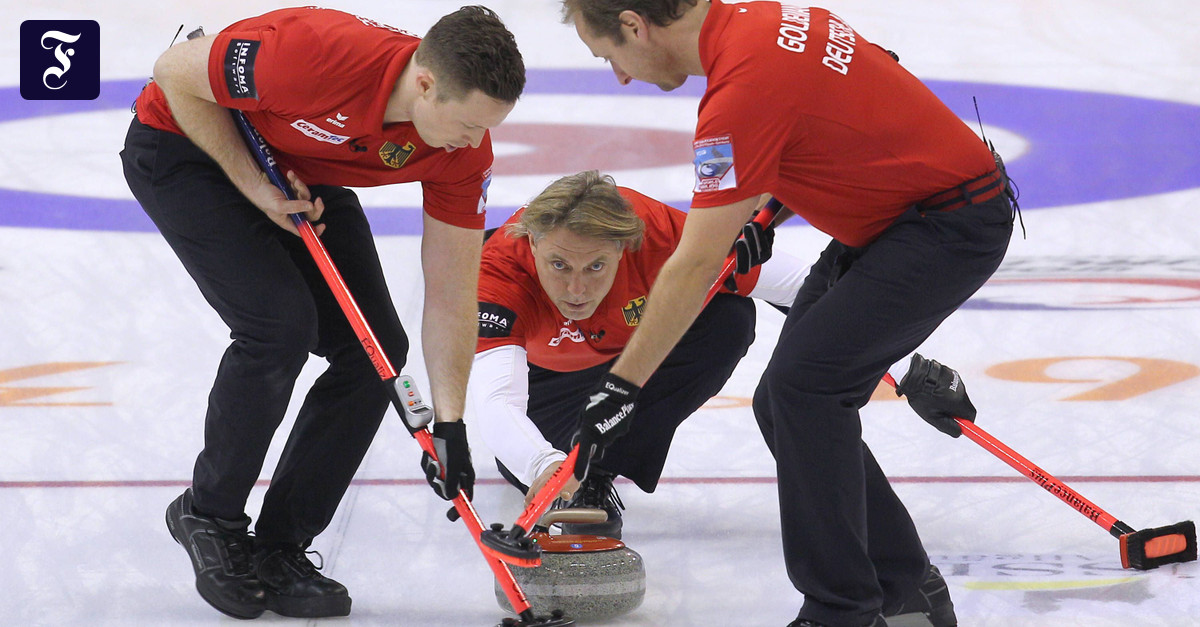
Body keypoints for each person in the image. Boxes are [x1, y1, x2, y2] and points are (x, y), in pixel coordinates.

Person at [560, 2, 1016, 626]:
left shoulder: (735, 97)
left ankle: (840, 613)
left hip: (945, 225)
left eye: (609, 54)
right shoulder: (766, 17)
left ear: (636, 25)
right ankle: (904, 589)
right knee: (786, 400)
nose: (617, 73)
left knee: (808, 390)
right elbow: (860, 82)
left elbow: (693, 266)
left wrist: (621, 387)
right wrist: (765, 207)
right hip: (900, 218)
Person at [119, 6, 524, 619]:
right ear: (424, 83)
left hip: (292, 164)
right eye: (467, 123)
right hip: (185, 147)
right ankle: (209, 515)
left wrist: (450, 424)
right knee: (277, 325)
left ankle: (281, 546)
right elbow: (173, 73)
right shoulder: (314, 55)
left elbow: (450, 290)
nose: (475, 141)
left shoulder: (461, 151)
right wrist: (254, 187)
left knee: (375, 351)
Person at [468, 170, 806, 538]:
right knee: (529, 451)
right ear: (532, 243)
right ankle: (567, 468)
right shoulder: (498, 270)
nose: (576, 289)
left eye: (595, 266)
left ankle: (596, 472)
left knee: (728, 319)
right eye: (559, 265)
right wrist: (541, 462)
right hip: (548, 385)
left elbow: (801, 286)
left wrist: (853, 343)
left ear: (623, 247)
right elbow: (497, 398)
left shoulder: (659, 235)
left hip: (634, 364)